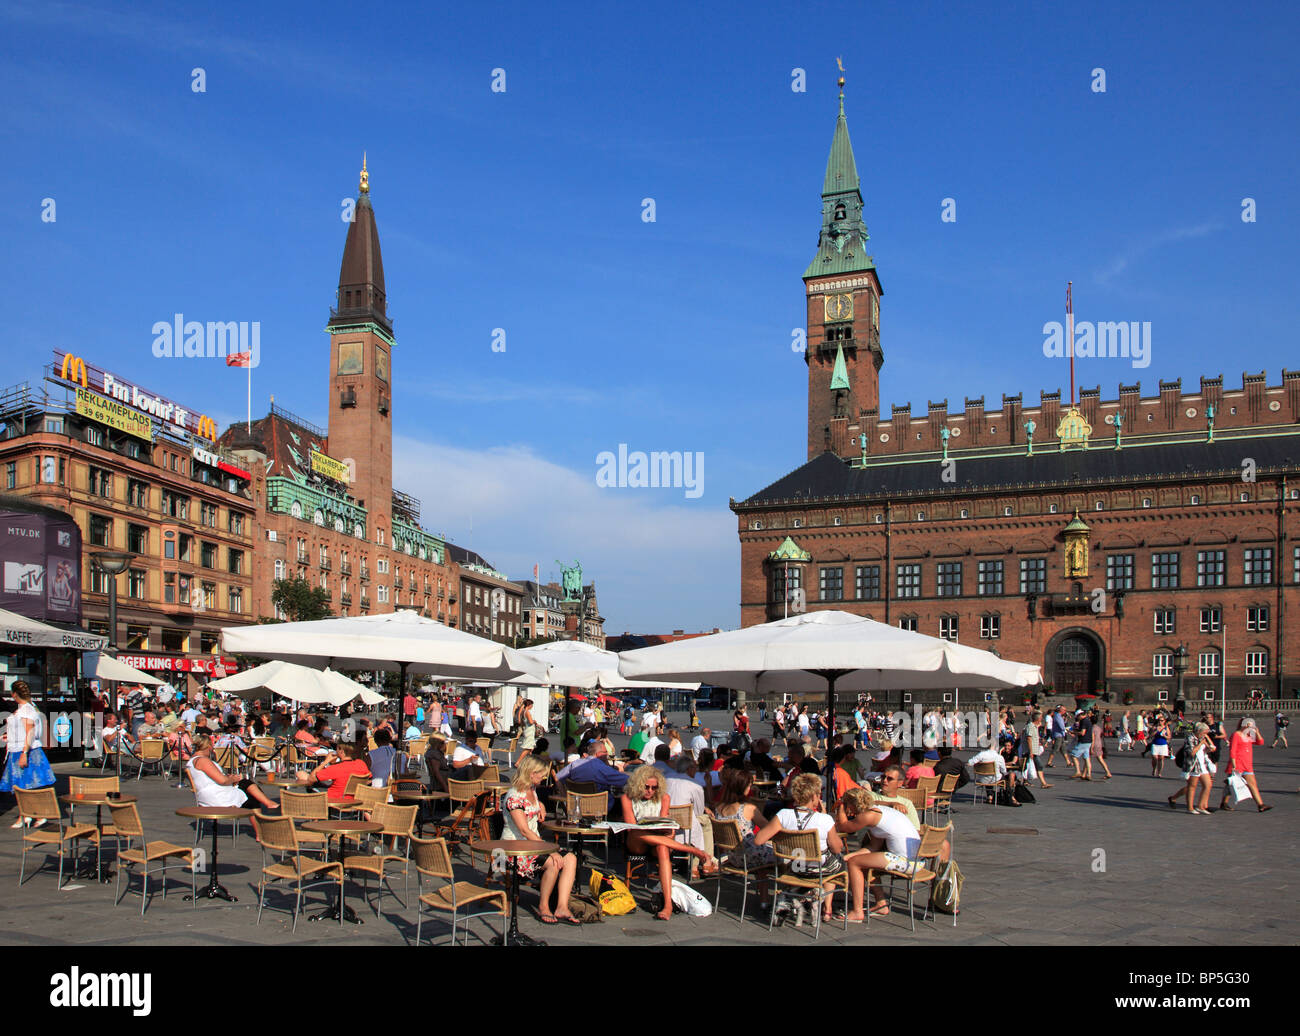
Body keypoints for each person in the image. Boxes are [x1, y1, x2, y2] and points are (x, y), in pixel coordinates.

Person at [620, 765, 718, 921]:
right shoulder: (627, 798)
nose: (650, 791)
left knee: (663, 847)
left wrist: (667, 830)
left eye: (654, 788)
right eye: (646, 787)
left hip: (656, 841)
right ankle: (694, 851)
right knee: (638, 832)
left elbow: (665, 824)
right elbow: (631, 827)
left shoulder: (664, 798)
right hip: (636, 841)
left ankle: (668, 904)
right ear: (638, 784)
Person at [836, 785, 944, 920]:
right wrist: (852, 854)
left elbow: (843, 826)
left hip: (906, 861)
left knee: (854, 864)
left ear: (851, 805)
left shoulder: (868, 816)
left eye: (848, 807)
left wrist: (840, 807)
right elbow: (873, 846)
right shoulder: (878, 812)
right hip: (915, 859)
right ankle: (881, 904)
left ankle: (857, 911)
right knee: (860, 861)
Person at [754, 773, 846, 925]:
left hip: (794, 867)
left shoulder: (783, 815)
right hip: (818, 870)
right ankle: (827, 908)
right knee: (839, 861)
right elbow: (836, 848)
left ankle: (799, 894)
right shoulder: (825, 819)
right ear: (814, 797)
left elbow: (759, 840)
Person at [502, 756, 580, 925]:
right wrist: (549, 850)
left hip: (533, 844)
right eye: (542, 774)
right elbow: (524, 830)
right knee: (553, 862)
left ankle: (562, 906)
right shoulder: (514, 796)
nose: (544, 778)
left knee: (571, 858)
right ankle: (544, 906)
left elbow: (533, 807)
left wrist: (541, 806)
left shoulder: (531, 789)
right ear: (531, 773)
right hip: (516, 848)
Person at [712, 766, 775, 906]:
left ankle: (764, 899)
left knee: (762, 853)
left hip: (733, 856)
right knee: (778, 854)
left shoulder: (719, 809)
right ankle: (768, 899)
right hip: (749, 855)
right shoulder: (748, 808)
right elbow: (769, 827)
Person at [2, 682, 54, 825]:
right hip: (19, 749)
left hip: (23, 750)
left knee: (23, 786)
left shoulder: (26, 710)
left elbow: (30, 732)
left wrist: (24, 753)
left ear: (14, 694)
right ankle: (30, 815)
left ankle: (28, 815)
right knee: (24, 785)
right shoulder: (26, 709)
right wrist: (8, 737)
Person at [187, 733, 278, 810]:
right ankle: (266, 809)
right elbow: (222, 780)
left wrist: (230, 778)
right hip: (217, 796)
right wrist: (234, 778)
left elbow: (212, 778)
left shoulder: (192, 761)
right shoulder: (203, 761)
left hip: (207, 795)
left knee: (246, 786)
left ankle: (268, 804)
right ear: (208, 746)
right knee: (250, 794)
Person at [667, 756, 713, 877]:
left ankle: (701, 861)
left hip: (667, 821)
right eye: (695, 768)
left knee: (701, 819)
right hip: (685, 824)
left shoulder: (667, 780)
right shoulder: (694, 785)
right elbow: (698, 811)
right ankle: (705, 859)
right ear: (690, 769)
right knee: (706, 821)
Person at [1219, 717, 1272, 812]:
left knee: (1251, 784)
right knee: (1232, 784)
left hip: (1247, 764)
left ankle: (1260, 805)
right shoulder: (1236, 735)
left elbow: (1260, 742)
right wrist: (1234, 765)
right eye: (1249, 725)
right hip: (1238, 764)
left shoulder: (1248, 735)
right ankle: (1224, 803)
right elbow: (1232, 750)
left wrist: (1257, 732)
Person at [1167, 723, 1214, 814]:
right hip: (1192, 765)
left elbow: (1210, 749)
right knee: (1192, 787)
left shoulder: (1202, 738)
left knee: (1208, 785)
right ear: (1199, 731)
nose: (1205, 734)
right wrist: (1201, 743)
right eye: (1204, 733)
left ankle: (1201, 806)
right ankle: (1190, 807)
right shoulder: (1190, 738)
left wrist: (1207, 742)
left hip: (1202, 764)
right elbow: (1192, 753)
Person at [299, 742, 371, 801]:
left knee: (302, 776)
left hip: (335, 799)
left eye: (337, 749)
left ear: (341, 751)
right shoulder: (361, 763)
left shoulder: (336, 768)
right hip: (355, 799)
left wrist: (326, 761)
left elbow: (311, 778)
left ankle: (316, 816)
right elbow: (369, 780)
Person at [1070, 710, 1093, 780]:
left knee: (1073, 755)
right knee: (1087, 758)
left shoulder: (1083, 721)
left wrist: (1074, 732)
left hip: (1083, 741)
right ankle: (1088, 774)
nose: (1077, 718)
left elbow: (1082, 733)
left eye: (1077, 716)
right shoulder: (1088, 720)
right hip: (1089, 741)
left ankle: (1078, 772)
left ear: (1080, 715)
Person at [1090, 709, 1113, 779]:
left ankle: (1087, 773)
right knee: (1100, 759)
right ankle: (1108, 772)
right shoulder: (1098, 728)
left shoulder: (1092, 728)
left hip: (1094, 745)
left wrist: (1091, 748)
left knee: (1088, 759)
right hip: (1099, 743)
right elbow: (1101, 735)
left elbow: (1092, 739)